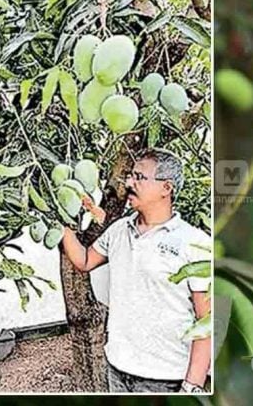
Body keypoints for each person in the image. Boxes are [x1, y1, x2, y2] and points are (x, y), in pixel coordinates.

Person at [60, 147, 211, 393]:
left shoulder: (195, 244)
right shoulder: (120, 229)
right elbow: (85, 261)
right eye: (130, 175)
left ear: (167, 188)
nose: (129, 182)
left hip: (165, 378)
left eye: (139, 177)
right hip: (117, 368)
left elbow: (206, 321)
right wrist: (60, 220)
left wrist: (192, 385)